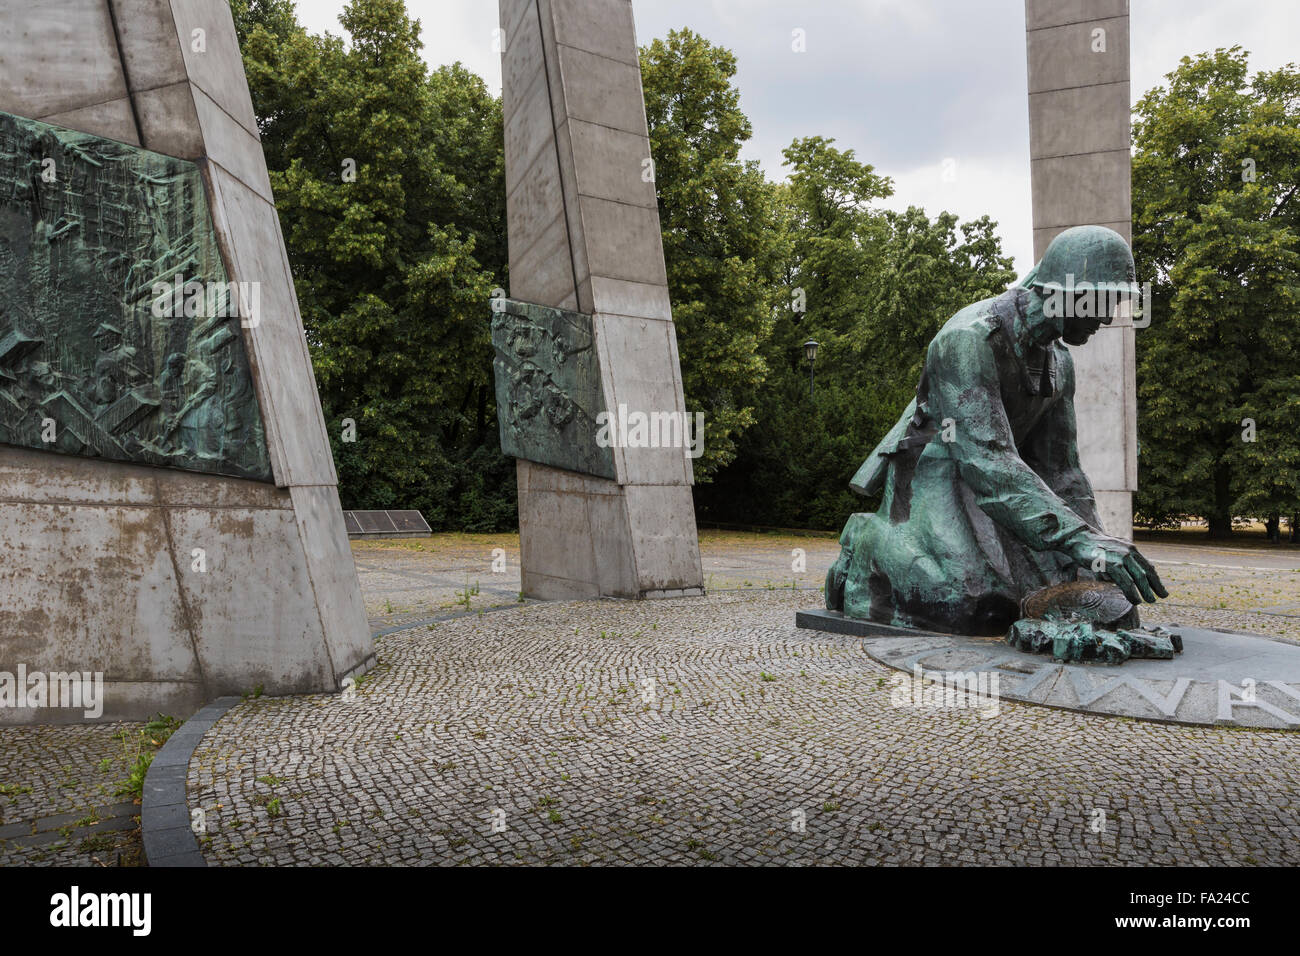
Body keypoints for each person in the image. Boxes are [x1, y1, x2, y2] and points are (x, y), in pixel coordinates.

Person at [825, 225, 1167, 635]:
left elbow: (1063, 471)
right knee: (970, 604)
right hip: (940, 472)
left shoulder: (1060, 362)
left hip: (1009, 484)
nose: (1109, 318)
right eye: (1104, 303)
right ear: (1070, 295)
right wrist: (1080, 540)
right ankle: (867, 539)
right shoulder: (968, 340)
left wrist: (1093, 547)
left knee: (1054, 596)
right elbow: (984, 457)